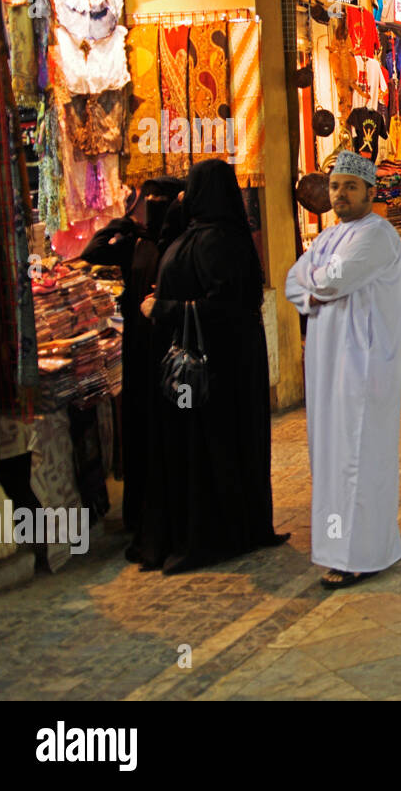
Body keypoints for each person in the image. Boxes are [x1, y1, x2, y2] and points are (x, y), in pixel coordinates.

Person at [132, 160, 287, 574]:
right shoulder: (208, 235)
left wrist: (165, 309)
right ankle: (223, 528)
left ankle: (212, 534)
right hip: (215, 371)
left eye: (192, 188)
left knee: (209, 450)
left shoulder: (218, 241)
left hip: (212, 374)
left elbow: (226, 309)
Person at [285, 151, 401, 589]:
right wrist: (315, 287)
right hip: (327, 364)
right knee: (332, 457)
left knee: (359, 456)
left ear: (370, 191)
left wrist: (316, 285)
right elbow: (293, 281)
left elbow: (331, 279)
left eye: (350, 187)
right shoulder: (329, 236)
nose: (340, 194)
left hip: (363, 364)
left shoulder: (377, 235)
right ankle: (344, 548)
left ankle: (361, 555)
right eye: (335, 186)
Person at [82, 177, 185, 536]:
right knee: (141, 425)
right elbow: (92, 253)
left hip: (170, 350)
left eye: (161, 199)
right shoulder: (137, 243)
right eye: (149, 198)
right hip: (138, 349)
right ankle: (141, 512)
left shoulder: (180, 243)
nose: (154, 204)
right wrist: (116, 226)